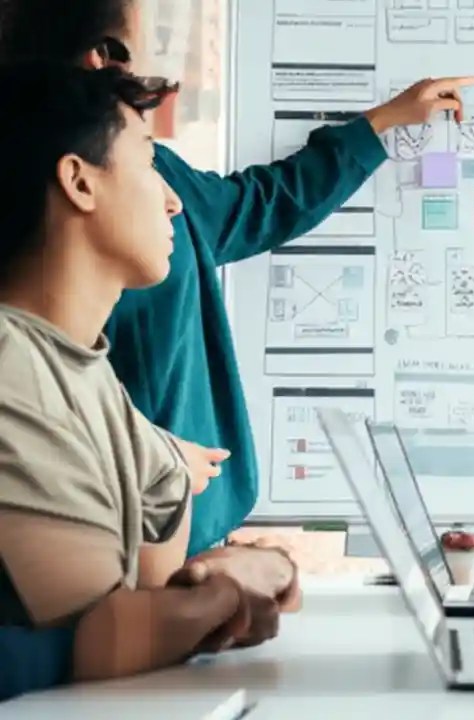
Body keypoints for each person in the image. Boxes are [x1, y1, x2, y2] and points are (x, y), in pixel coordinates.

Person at [0, 0, 474, 555]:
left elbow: (251, 206)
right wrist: (152, 464)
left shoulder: (142, 172)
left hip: (177, 533)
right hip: (119, 534)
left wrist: (380, 124)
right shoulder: (32, 353)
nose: (173, 202)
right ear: (100, 61)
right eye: (135, 55)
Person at [0, 62, 297, 689]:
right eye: (148, 162)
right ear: (79, 181)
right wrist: (224, 597)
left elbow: (154, 591)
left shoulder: (88, 373)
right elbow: (104, 635)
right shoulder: (9, 360)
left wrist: (239, 575)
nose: (173, 199)